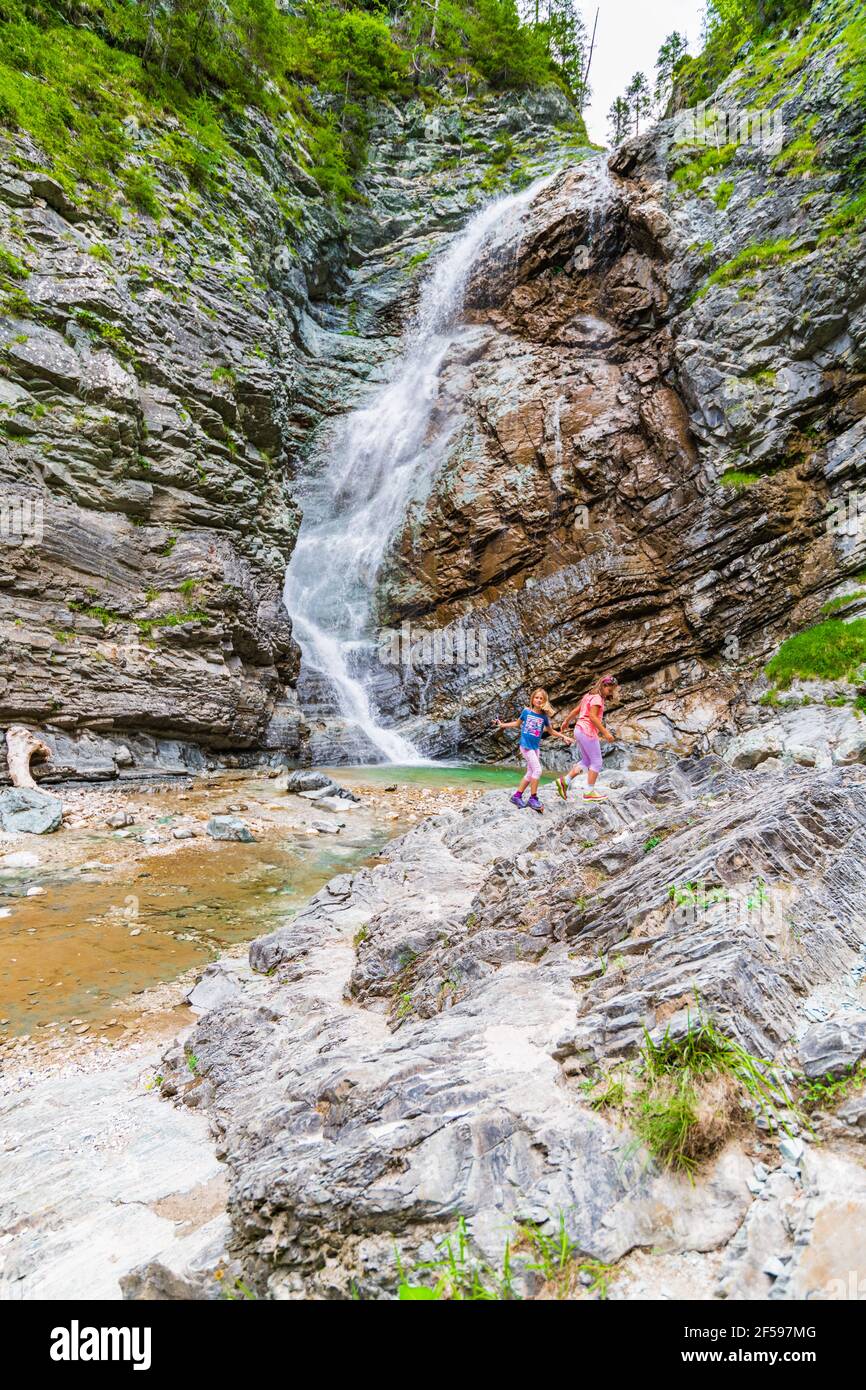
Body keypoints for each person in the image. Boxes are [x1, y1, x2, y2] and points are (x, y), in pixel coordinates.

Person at [494, 688, 567, 813]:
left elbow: (551, 731)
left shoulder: (543, 717)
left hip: (535, 747)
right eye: (536, 697)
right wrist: (502, 725)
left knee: (530, 773)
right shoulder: (526, 712)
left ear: (544, 701)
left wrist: (563, 736)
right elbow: (517, 724)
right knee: (537, 770)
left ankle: (517, 796)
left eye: (541, 698)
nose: (538, 700)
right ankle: (533, 798)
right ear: (532, 699)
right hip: (526, 746)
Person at [556, 674, 619, 802]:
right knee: (597, 762)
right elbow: (593, 717)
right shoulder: (597, 698)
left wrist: (566, 721)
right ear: (603, 686)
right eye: (609, 690)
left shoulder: (588, 696)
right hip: (587, 731)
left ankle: (565, 781)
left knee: (586, 761)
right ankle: (589, 792)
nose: (610, 693)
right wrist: (606, 733)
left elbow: (576, 710)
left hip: (579, 730)